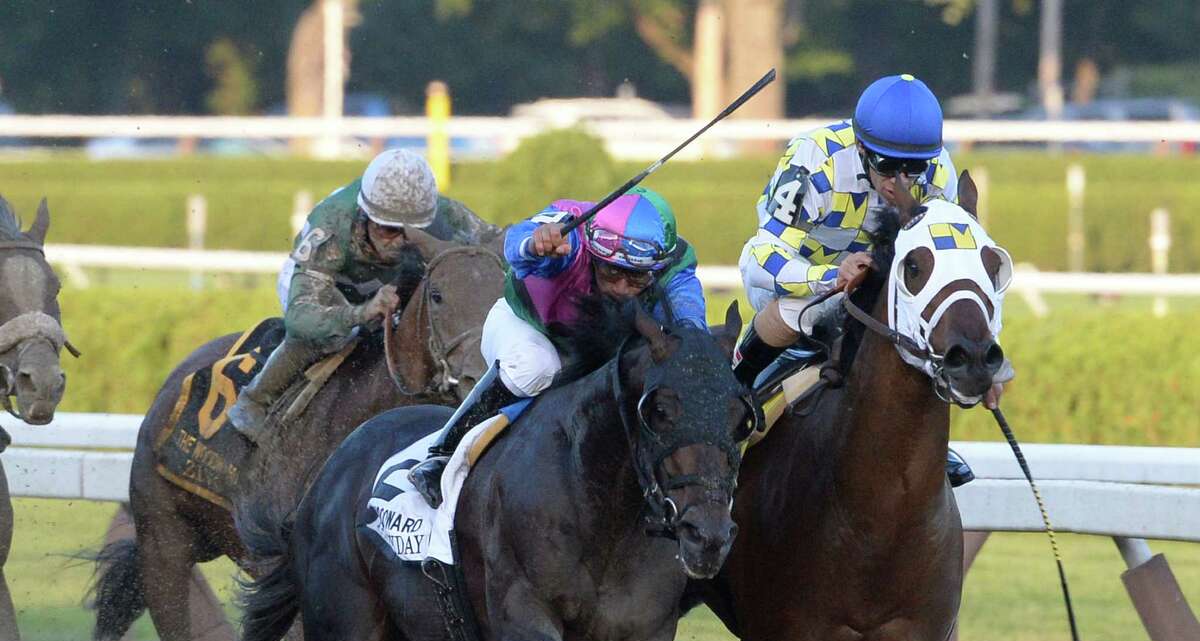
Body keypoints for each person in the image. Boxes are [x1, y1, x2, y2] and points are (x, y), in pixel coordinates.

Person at [734, 73, 999, 486]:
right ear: (860, 148)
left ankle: (926, 442)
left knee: (919, 326)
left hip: (881, 291)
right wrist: (828, 277)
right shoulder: (814, 160)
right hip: (803, 283)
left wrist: (988, 362)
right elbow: (757, 258)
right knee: (800, 314)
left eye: (913, 167)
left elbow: (957, 271)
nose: (902, 181)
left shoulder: (940, 175)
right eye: (887, 165)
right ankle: (735, 398)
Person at [407, 186, 706, 508]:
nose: (621, 289)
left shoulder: (675, 267)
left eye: (636, 280)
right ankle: (443, 454)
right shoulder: (573, 235)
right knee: (537, 367)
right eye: (610, 271)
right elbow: (516, 243)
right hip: (529, 327)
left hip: (601, 344)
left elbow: (691, 327)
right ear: (594, 255)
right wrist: (535, 244)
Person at [227, 148, 502, 442]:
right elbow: (300, 317)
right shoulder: (333, 224)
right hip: (326, 285)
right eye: (388, 230)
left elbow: (498, 242)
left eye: (412, 230)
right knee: (328, 337)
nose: (400, 241)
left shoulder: (442, 210)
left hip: (389, 279)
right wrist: (362, 312)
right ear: (365, 216)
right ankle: (254, 400)